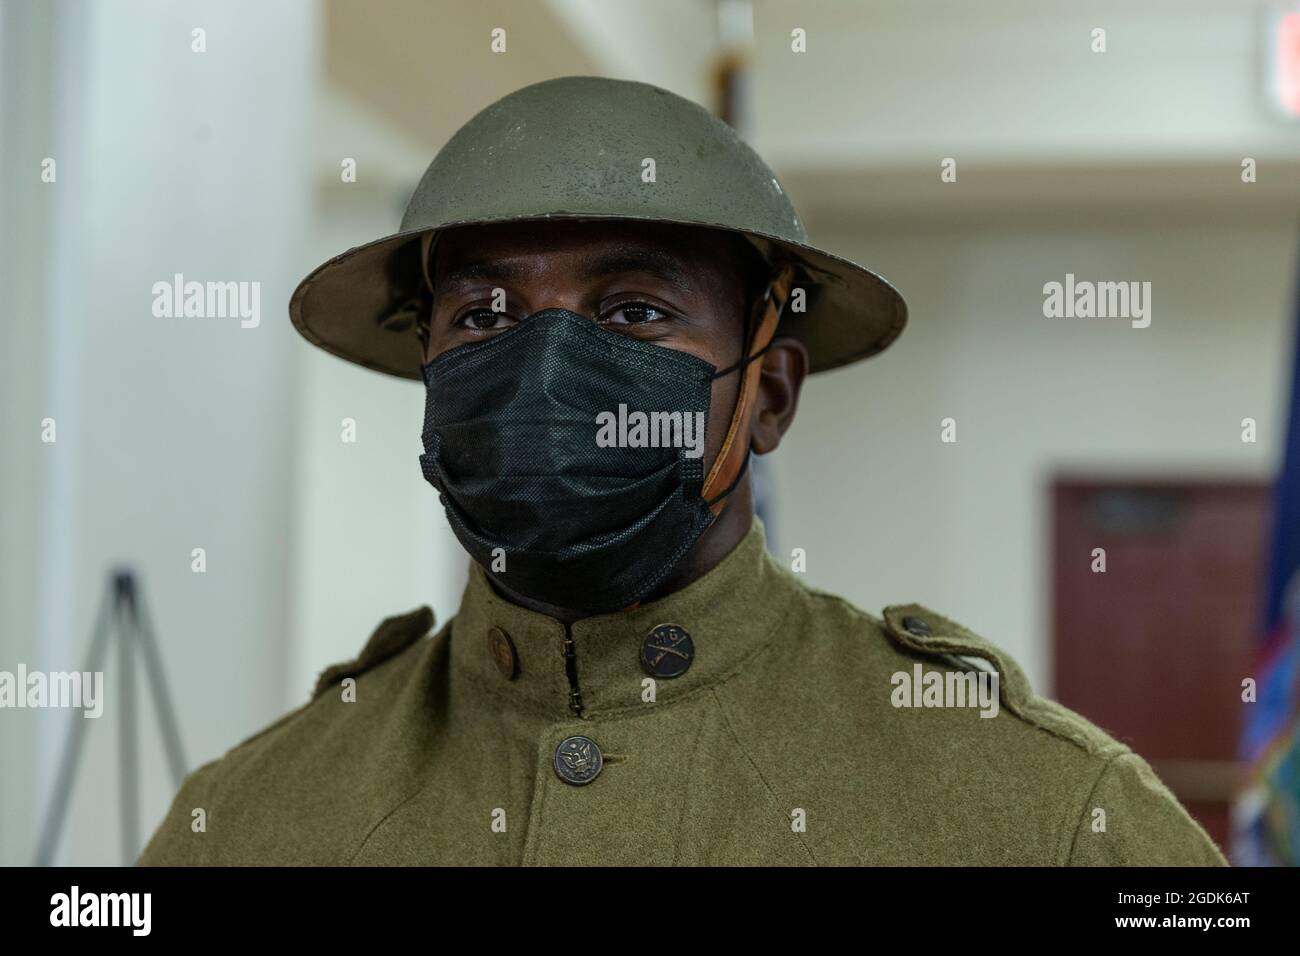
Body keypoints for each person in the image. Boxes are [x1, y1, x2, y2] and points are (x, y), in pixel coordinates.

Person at [138, 76, 1225, 866]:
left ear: (772, 393)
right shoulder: (247, 819)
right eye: (484, 315)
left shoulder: (1042, 813)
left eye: (634, 312)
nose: (546, 367)